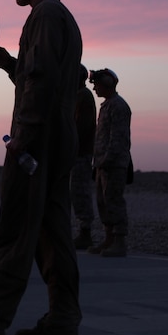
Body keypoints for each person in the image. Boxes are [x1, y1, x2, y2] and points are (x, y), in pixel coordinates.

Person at [0, 0, 84, 335]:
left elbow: (40, 79)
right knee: (52, 231)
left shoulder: (45, 16)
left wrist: (23, 139)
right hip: (58, 136)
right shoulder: (62, 17)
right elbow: (32, 71)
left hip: (39, 137)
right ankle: (63, 317)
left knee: (16, 229)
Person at [88, 68, 132, 258]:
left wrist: (107, 159)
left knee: (113, 200)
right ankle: (109, 239)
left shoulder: (118, 106)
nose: (95, 88)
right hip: (102, 163)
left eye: (97, 84)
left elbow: (117, 138)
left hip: (113, 164)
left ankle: (119, 241)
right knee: (102, 202)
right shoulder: (107, 105)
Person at [71, 65, 98, 249]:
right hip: (75, 152)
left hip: (80, 153)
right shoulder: (76, 96)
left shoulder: (83, 96)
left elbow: (81, 126)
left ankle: (85, 232)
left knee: (80, 191)